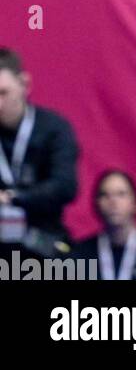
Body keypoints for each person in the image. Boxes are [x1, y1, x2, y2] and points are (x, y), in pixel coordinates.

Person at [0, 47, 79, 254]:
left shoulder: (54, 129)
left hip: (43, 243)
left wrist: (14, 197)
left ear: (24, 84)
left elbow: (65, 186)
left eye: (3, 93)